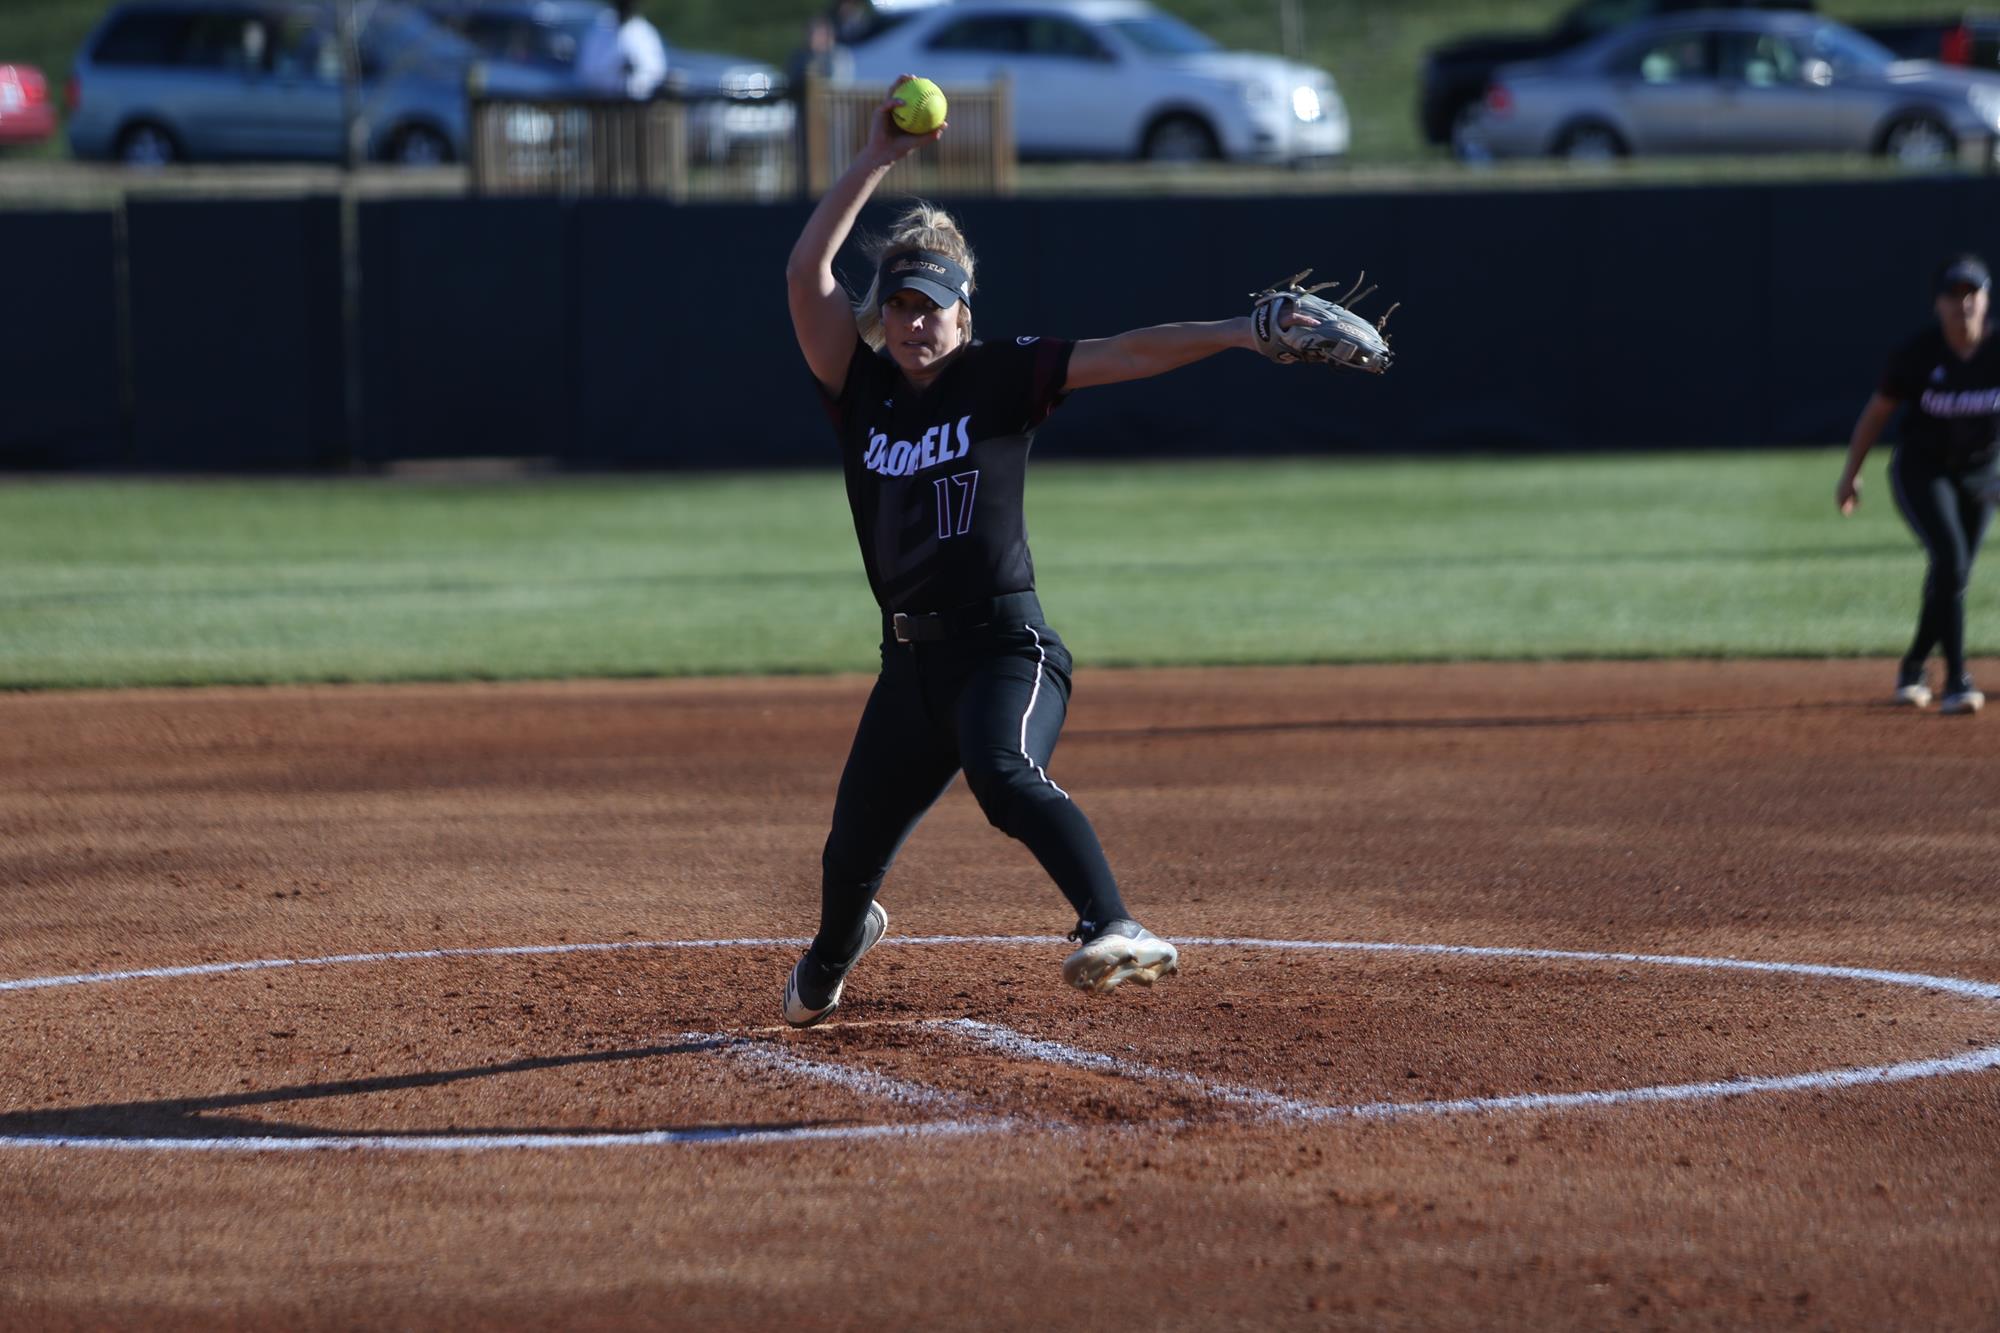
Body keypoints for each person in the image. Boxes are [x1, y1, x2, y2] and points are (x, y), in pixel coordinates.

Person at [779, 77, 1329, 1027]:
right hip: (906, 663)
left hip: (1004, 649)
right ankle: (837, 946)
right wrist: (877, 158)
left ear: (964, 312)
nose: (918, 321)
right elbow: (804, 275)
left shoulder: (999, 378)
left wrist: (1246, 333)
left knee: (1002, 772)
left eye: (935, 306)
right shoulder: (857, 387)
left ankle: (1111, 923)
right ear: (884, 313)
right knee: (845, 860)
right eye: (902, 304)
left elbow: (1127, 352)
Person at [1839, 254, 2000, 715]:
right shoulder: (1918, 354)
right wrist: (1851, 474)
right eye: (1954, 295)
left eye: (1973, 294)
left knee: (1954, 574)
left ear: (1987, 300)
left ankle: (1912, 665)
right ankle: (1957, 679)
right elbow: (1877, 414)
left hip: (1981, 475)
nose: (1963, 304)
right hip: (1922, 471)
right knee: (1949, 559)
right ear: (1938, 305)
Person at [577, 0, 666, 99]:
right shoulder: (599, 28)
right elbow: (586, 70)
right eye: (623, 3)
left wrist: (636, 74)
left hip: (637, 104)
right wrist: (614, 69)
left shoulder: (645, 32)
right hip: (601, 103)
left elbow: (656, 71)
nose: (626, 7)